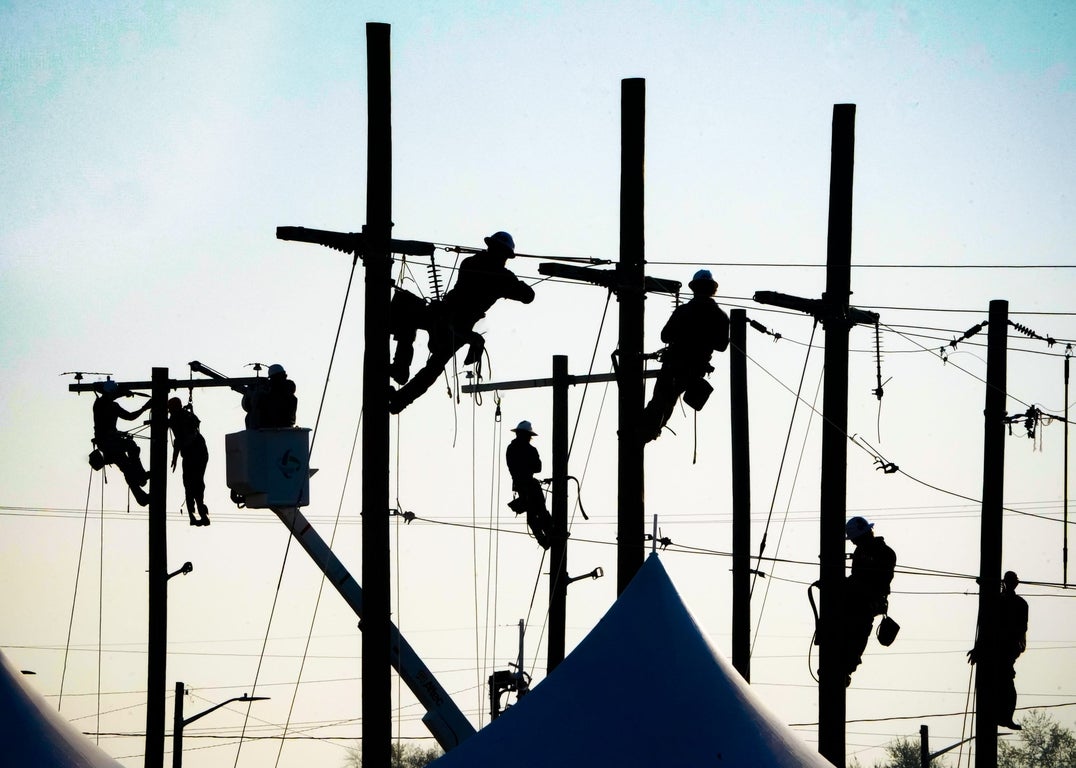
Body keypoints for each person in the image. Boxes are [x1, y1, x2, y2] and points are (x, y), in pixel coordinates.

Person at [389, 231, 535, 414]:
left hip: (445, 317)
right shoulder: (501, 277)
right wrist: (510, 284)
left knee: (409, 318)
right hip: (456, 324)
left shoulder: (472, 263)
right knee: (433, 365)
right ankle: (400, 391)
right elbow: (528, 296)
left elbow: (526, 295)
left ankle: (401, 370)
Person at [641, 269, 730, 442]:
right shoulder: (720, 316)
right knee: (668, 401)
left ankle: (644, 431)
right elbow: (722, 346)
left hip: (675, 363)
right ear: (713, 290)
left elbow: (665, 336)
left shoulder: (684, 311)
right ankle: (648, 431)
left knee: (662, 399)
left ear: (694, 288)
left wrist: (685, 333)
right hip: (694, 369)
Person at [968, 570, 1029, 730]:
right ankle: (1000, 716)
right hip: (994, 650)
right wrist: (978, 648)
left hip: (1005, 650)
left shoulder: (1019, 604)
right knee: (996, 685)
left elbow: (1020, 630)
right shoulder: (996, 601)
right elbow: (985, 626)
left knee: (1005, 686)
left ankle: (1004, 717)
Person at [843, 515, 896, 682]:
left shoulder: (885, 553)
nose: (853, 543)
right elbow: (856, 576)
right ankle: (843, 664)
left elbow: (879, 580)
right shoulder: (861, 552)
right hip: (857, 600)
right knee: (849, 629)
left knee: (858, 631)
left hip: (868, 601)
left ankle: (847, 667)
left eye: (855, 540)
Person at [92, 380, 151, 506]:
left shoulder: (99, 403)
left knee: (129, 459)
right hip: (110, 443)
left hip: (108, 443)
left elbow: (105, 393)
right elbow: (130, 416)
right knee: (129, 456)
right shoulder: (110, 406)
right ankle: (140, 480)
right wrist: (144, 408)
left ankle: (141, 484)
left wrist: (123, 393)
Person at [505, 420, 552, 550]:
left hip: (519, 484)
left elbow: (512, 466)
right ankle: (549, 534)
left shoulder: (511, 448)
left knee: (533, 513)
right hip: (530, 484)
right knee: (539, 510)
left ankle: (545, 538)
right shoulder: (530, 450)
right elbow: (538, 468)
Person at [168, 398, 210, 526]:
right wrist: (175, 458)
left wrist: (177, 455)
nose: (169, 411)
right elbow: (178, 440)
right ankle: (193, 514)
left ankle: (200, 512)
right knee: (190, 484)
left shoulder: (184, 417)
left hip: (197, 454)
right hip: (192, 454)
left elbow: (186, 437)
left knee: (195, 483)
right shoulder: (177, 418)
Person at [243, 363, 297, 429]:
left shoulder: (274, 394)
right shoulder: (289, 392)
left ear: (273, 378)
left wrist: (256, 395)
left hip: (271, 427)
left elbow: (260, 406)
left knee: (250, 417)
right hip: (287, 426)